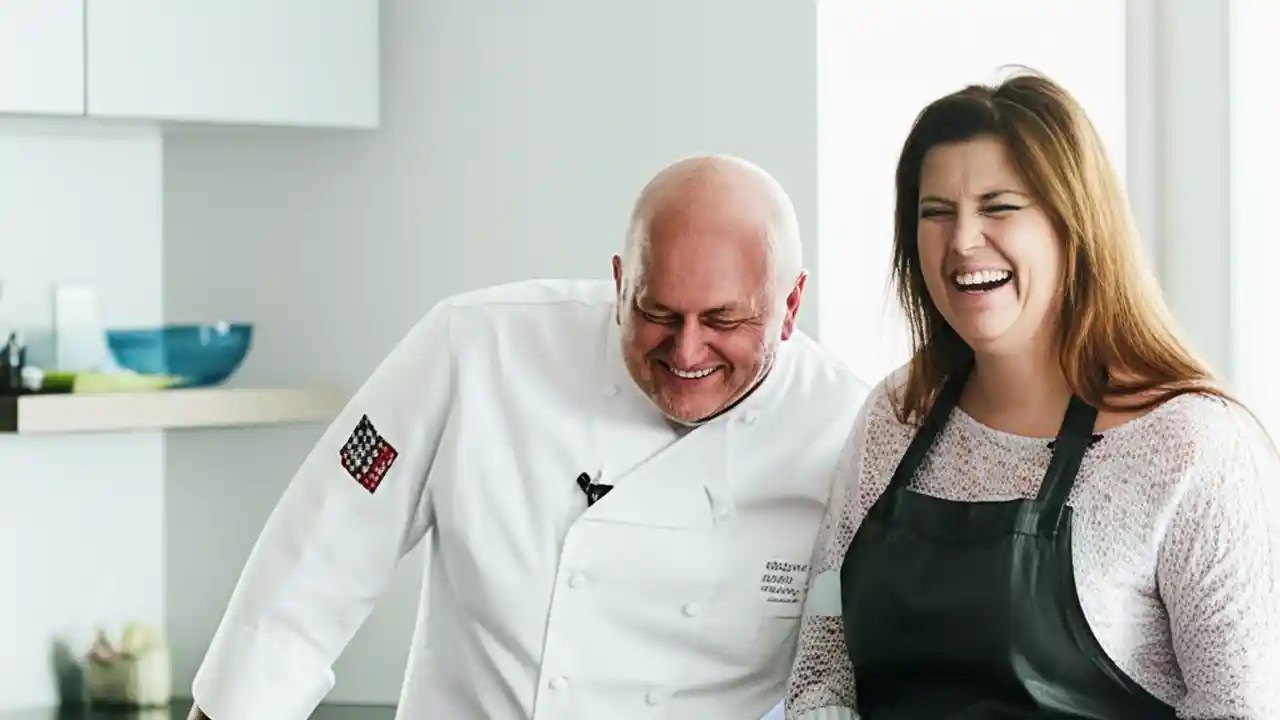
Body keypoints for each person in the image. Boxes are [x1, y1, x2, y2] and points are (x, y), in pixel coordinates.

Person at [186, 154, 871, 720]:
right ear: (619, 282)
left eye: (723, 320)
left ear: (790, 305)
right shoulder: (476, 349)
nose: (687, 350)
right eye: (656, 312)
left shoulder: (847, 430)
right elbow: (318, 554)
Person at [786, 73, 1280, 719]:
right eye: (936, 212)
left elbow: (1238, 709)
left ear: (1073, 225)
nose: (963, 240)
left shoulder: (1191, 445)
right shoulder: (896, 414)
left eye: (999, 207)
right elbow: (823, 672)